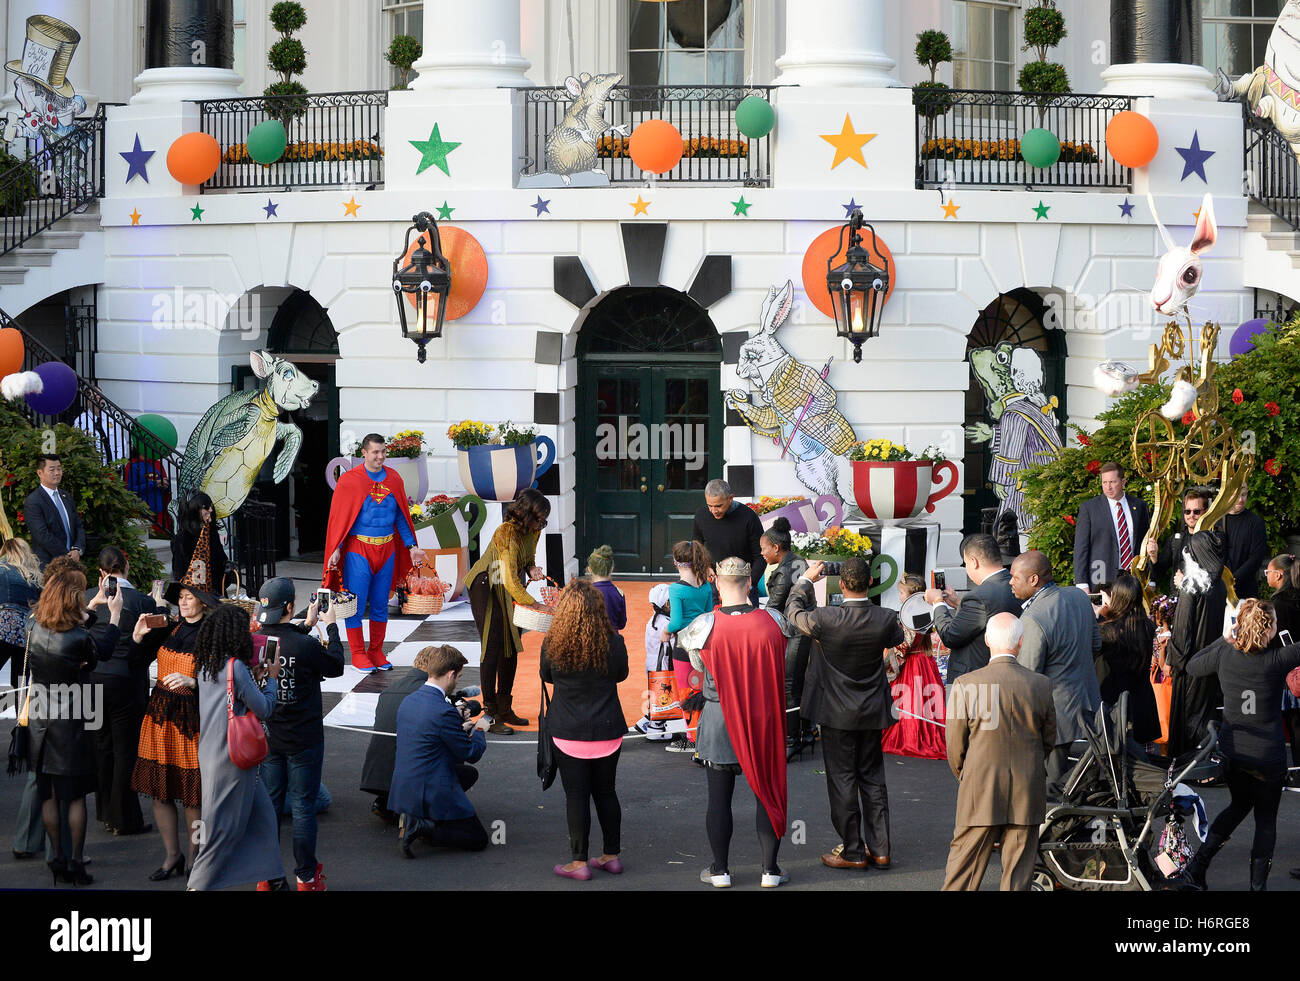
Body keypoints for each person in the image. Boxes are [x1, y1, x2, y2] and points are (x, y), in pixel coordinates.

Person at [678, 556, 791, 888]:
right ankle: (770, 870)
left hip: (720, 716)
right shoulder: (775, 620)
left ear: (715, 581)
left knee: (718, 798)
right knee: (767, 792)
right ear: (750, 582)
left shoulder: (703, 625)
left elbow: (698, 664)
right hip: (764, 716)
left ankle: (720, 870)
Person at [785, 557, 904, 870]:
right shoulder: (886, 617)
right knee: (873, 779)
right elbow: (898, 639)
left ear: (843, 584)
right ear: (868, 583)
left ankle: (853, 851)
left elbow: (792, 614)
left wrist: (806, 581)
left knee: (842, 781)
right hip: (872, 711)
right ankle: (880, 850)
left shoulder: (825, 619)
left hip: (836, 713)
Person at [1181, 600, 1300, 891]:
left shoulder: (1224, 654)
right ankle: (1256, 887)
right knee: (1266, 821)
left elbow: (1193, 666)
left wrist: (1225, 637)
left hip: (1234, 751)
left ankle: (1198, 866)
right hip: (1268, 755)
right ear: (1269, 629)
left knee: (1238, 806)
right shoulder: (1278, 659)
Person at [942, 613, 1056, 891]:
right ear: (1020, 643)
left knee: (962, 873)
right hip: (1026, 789)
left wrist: (967, 776)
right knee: (1018, 877)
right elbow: (1048, 740)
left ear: (987, 640)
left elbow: (955, 745)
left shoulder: (966, 684)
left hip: (979, 786)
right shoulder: (1041, 684)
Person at [26, 567, 124, 885]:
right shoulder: (79, 638)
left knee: (49, 795)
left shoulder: (34, 627)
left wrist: (92, 606)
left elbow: (75, 635)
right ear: (72, 600)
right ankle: (76, 863)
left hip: (41, 719)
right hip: (72, 720)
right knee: (78, 797)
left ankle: (56, 857)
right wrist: (115, 615)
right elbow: (102, 651)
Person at [254, 577, 345, 892]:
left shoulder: (256, 640)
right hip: (304, 737)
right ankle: (306, 877)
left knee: (270, 804)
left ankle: (266, 876)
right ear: (290, 606)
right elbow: (335, 665)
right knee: (304, 806)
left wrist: (305, 624)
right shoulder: (304, 645)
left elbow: (282, 638)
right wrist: (330, 626)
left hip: (268, 736)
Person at [129, 569, 219, 881]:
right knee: (161, 791)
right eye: (180, 597)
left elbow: (225, 682)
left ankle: (197, 857)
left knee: (194, 796)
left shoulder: (211, 635)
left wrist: (193, 681)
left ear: (203, 603)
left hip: (193, 719)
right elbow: (135, 661)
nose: (182, 602)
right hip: (160, 716)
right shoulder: (168, 627)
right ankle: (172, 856)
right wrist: (138, 637)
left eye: (189, 597)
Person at [187, 605, 285, 891]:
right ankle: (196, 886)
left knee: (263, 818)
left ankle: (275, 877)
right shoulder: (237, 667)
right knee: (220, 830)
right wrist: (273, 678)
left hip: (214, 752)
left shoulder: (208, 663)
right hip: (233, 758)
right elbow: (264, 708)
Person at [540, 580, 629, 880]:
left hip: (567, 732)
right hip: (608, 729)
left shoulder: (552, 643)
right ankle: (611, 856)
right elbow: (622, 674)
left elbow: (546, 676)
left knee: (576, 796)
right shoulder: (614, 642)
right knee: (606, 793)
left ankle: (578, 863)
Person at [324, 433, 424, 673]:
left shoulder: (395, 478)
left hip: (387, 548)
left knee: (380, 604)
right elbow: (340, 520)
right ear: (364, 454)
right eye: (375, 452)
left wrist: (412, 547)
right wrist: (336, 548)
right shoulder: (349, 480)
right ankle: (358, 653)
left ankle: (376, 651)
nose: (380, 456)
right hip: (359, 549)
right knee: (355, 604)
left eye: (383, 452)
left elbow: (401, 516)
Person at [1010, 550, 1101, 799]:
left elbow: (1027, 676)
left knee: (1052, 791)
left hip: (1056, 717)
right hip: (1087, 703)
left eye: (1014, 577)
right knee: (1079, 784)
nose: (1010, 583)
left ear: (1034, 580)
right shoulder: (1079, 597)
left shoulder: (1033, 618)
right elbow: (1096, 645)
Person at [389, 644, 492, 857]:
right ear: (451, 674)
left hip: (405, 785)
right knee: (477, 838)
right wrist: (480, 728)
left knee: (467, 775)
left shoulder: (409, 701)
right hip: (429, 785)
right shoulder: (443, 711)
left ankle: (418, 819)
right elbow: (470, 754)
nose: (457, 683)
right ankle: (422, 827)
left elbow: (426, 739)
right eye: (458, 677)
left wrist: (457, 725)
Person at [1146, 487, 1226, 756]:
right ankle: (1205, 761)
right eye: (1187, 511)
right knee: (1203, 708)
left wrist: (1171, 660)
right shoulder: (1216, 586)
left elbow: (1183, 629)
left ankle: (1193, 764)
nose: (1191, 516)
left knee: (1190, 713)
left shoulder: (1191, 588)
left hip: (1189, 661)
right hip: (1208, 657)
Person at [85, 546, 159, 837]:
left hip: (93, 680)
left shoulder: (89, 598)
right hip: (127, 681)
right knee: (125, 749)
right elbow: (151, 643)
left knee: (101, 746)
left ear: (101, 573)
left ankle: (105, 811)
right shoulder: (142, 601)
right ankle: (124, 817)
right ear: (125, 566)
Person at [463, 487, 549, 734]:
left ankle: (504, 707)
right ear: (525, 514)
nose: (542, 523)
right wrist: (532, 603)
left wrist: (532, 568)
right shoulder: (505, 532)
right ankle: (489, 713)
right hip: (485, 585)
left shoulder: (534, 529)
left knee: (510, 646)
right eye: (539, 517)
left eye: (544, 518)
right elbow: (509, 577)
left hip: (507, 585)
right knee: (492, 646)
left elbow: (528, 558)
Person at [361, 646, 441, 822]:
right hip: (404, 774)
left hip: (374, 773)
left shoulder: (389, 689)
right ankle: (417, 809)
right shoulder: (427, 693)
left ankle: (387, 801)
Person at [927, 533, 1020, 684]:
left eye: (965, 564)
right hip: (1009, 675)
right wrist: (958, 604)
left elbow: (950, 636)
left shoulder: (978, 596)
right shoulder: (1015, 584)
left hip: (975, 678)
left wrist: (937, 602)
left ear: (974, 562)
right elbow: (985, 617)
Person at [656, 540, 714, 753]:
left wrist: (665, 631)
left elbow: (677, 621)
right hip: (705, 644)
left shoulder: (676, 589)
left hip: (684, 646)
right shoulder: (706, 584)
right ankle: (704, 732)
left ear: (676, 562)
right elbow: (709, 614)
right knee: (702, 689)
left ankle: (692, 737)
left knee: (686, 692)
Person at [758, 517, 812, 748]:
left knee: (789, 685)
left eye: (764, 549)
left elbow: (773, 607)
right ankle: (807, 732)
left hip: (795, 632)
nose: (762, 553)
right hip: (806, 628)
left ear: (776, 548)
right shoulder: (799, 561)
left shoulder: (783, 572)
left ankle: (791, 740)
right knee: (801, 682)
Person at [882, 574, 947, 761]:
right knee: (926, 702)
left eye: (901, 592)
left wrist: (888, 659)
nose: (900, 596)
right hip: (925, 662)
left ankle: (911, 738)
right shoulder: (926, 608)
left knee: (910, 702)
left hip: (912, 664)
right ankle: (927, 734)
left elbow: (905, 644)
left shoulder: (910, 611)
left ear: (910, 594)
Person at [1094, 573, 1162, 745]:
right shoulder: (1148, 626)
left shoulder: (1107, 631)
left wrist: (1098, 615)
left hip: (1115, 706)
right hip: (1143, 704)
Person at [1072, 462, 1150, 592]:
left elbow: (1146, 544)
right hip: (1100, 578)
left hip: (1132, 580)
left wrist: (1150, 578)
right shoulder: (1089, 508)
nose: (1108, 487)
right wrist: (1081, 584)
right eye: (1104, 482)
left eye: (1113, 482)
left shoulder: (1139, 506)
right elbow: (1081, 548)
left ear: (1123, 482)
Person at [692, 479, 765, 606]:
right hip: (713, 584)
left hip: (744, 586)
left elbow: (761, 555)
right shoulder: (701, 515)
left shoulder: (749, 516)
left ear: (730, 498)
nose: (714, 511)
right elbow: (696, 547)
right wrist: (705, 567)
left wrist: (750, 584)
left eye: (719, 506)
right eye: (710, 505)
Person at [22, 455, 86, 569]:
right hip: (49, 565)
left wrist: (77, 549)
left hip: (72, 563)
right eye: (52, 470)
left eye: (59, 468)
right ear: (40, 473)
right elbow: (42, 535)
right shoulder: (33, 501)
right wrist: (66, 555)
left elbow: (78, 526)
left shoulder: (66, 496)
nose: (57, 473)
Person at [0, 537, 42, 689]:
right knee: (20, 685)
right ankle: (21, 712)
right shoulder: (36, 577)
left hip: (4, 627)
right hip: (28, 633)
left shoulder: (1, 569)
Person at [171, 492, 226, 595]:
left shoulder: (211, 533)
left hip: (214, 592)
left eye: (210, 506)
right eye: (206, 507)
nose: (210, 509)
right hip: (193, 593)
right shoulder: (183, 538)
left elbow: (220, 559)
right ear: (195, 510)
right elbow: (178, 571)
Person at [1221, 487, 1267, 600]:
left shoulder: (1255, 523)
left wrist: (1233, 580)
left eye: (1244, 494)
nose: (1241, 499)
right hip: (1219, 588)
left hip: (1246, 589)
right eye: (1236, 495)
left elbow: (1256, 557)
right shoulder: (1216, 520)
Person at [73, 390, 126, 469]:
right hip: (95, 470)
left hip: (114, 470)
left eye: (100, 398)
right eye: (95, 398)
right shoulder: (81, 421)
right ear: (88, 401)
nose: (99, 401)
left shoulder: (112, 417)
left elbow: (120, 443)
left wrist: (117, 465)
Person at [585, 544, 626, 630]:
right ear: (611, 568)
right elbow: (621, 624)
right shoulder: (618, 593)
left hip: (590, 640)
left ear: (590, 570)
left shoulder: (584, 593)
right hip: (613, 640)